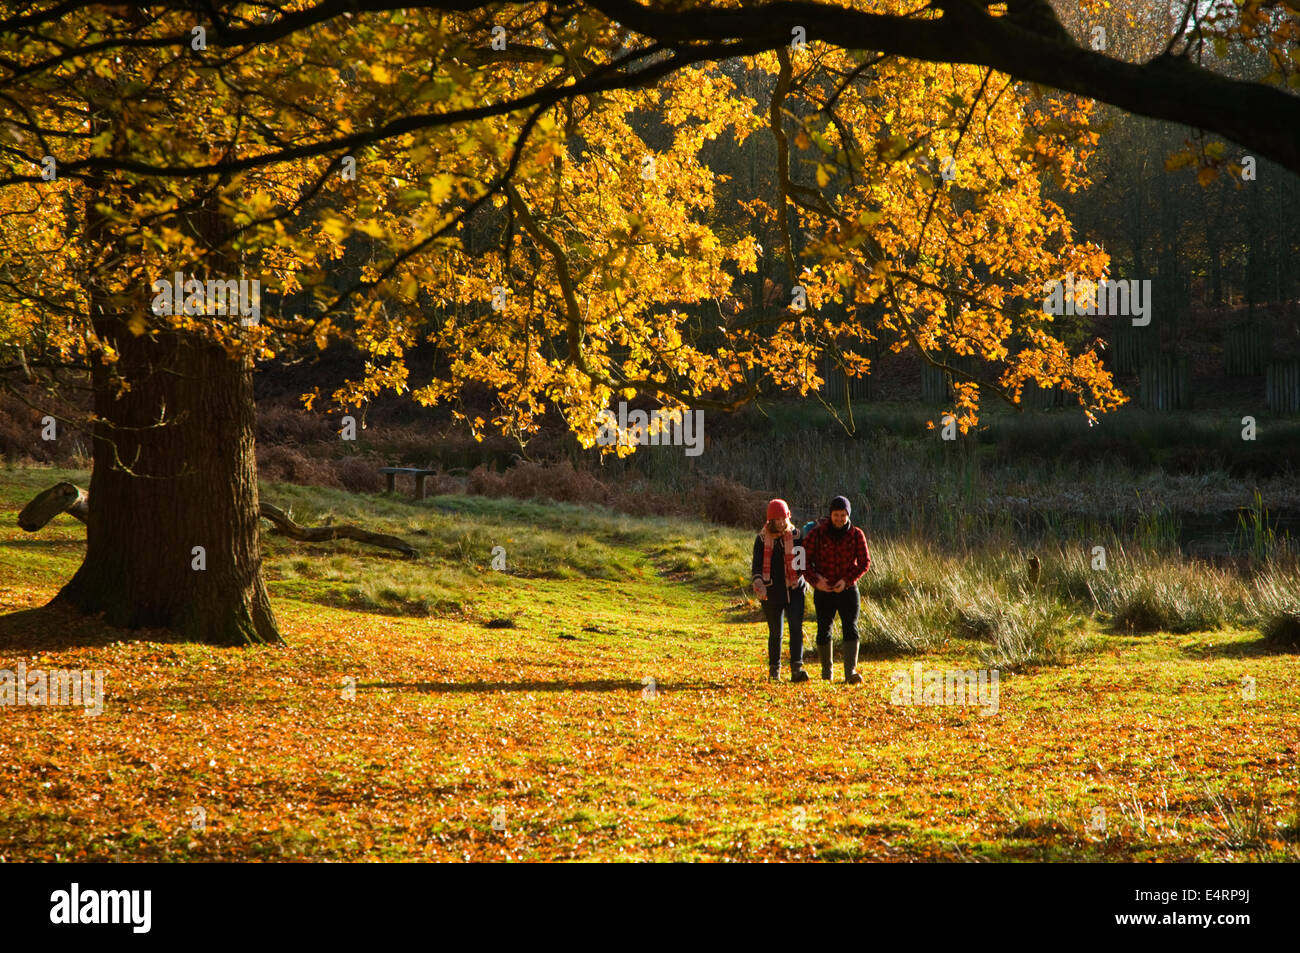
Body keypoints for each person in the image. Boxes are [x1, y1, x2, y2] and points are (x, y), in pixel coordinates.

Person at [804, 495, 871, 684]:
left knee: (851, 628)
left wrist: (847, 581)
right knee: (824, 629)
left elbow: (865, 562)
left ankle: (850, 672)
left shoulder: (857, 534)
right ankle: (827, 673)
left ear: (848, 515)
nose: (839, 518)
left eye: (843, 515)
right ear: (830, 514)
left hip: (847, 590)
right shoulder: (817, 534)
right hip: (823, 590)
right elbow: (801, 560)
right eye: (836, 515)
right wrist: (815, 581)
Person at [751, 499, 809, 682]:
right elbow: (756, 567)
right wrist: (759, 583)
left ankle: (796, 669)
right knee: (776, 632)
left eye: (784, 518)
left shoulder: (798, 536)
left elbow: (802, 566)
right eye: (777, 519)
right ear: (770, 521)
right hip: (771, 592)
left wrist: (802, 580)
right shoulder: (761, 539)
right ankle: (774, 671)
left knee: (795, 628)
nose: (781, 522)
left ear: (788, 517)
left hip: (795, 591)